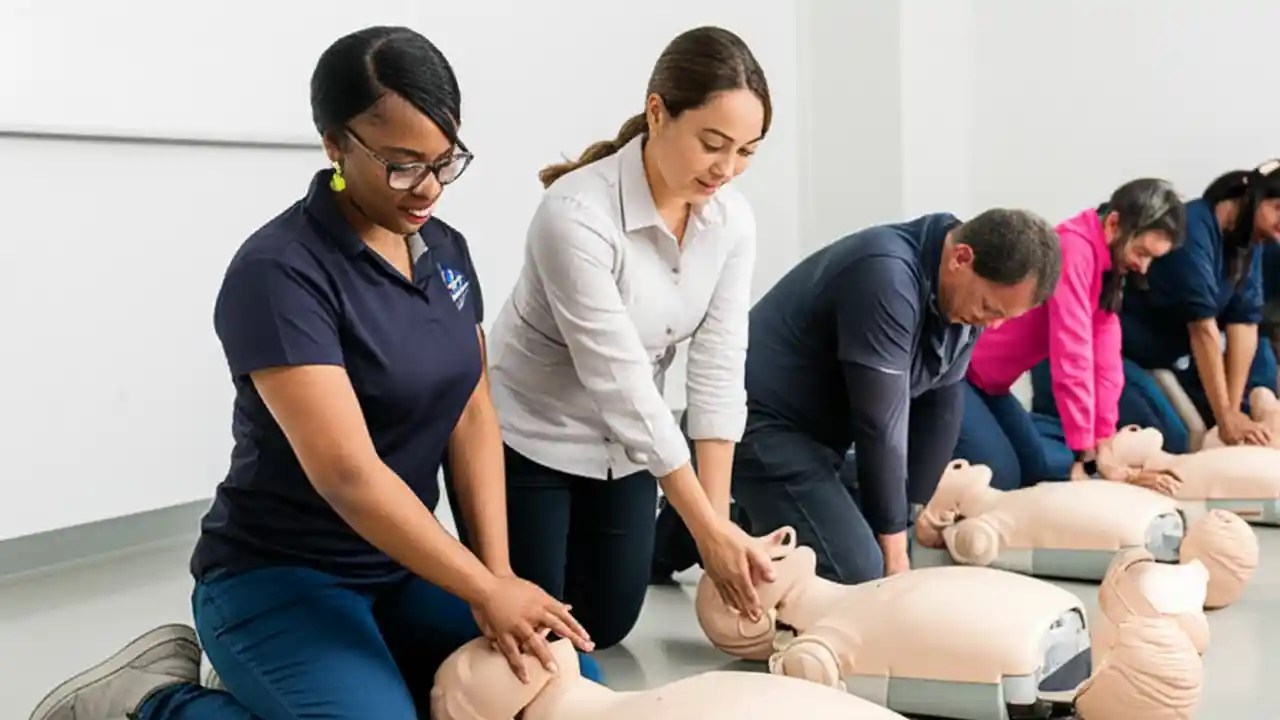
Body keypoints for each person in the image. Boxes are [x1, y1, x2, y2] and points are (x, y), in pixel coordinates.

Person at [29, 27, 590, 720]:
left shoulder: (446, 251)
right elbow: (348, 476)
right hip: (276, 577)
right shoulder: (279, 272)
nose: (430, 189)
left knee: (562, 671)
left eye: (446, 162)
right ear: (334, 143)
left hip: (401, 565)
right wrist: (479, 590)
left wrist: (497, 577)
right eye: (402, 164)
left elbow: (472, 413)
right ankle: (148, 702)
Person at [473, 26, 774, 649]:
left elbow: (717, 370)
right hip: (529, 436)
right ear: (658, 112)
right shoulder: (575, 214)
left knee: (605, 626)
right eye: (713, 144)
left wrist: (714, 530)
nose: (727, 169)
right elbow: (622, 382)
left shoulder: (730, 220)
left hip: (628, 448)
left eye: (746, 150)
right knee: (535, 631)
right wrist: (704, 532)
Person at [729, 209, 1063, 584]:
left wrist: (911, 516)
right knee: (859, 571)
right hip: (759, 424)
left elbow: (942, 408)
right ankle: (730, 508)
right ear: (961, 258)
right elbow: (879, 425)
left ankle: (723, 515)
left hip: (825, 440)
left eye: (1004, 316)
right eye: (989, 308)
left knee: (880, 512)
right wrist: (894, 553)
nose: (993, 324)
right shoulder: (885, 274)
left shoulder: (959, 300)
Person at [957, 179, 1186, 493]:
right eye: (1142, 252)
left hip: (991, 386)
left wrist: (1104, 439)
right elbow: (1072, 354)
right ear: (1115, 223)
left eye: (1152, 259)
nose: (1143, 267)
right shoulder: (1074, 249)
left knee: (1035, 467)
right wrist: (1085, 453)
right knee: (1005, 476)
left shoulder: (1109, 270)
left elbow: (1106, 362)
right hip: (960, 375)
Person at [1115, 160, 1280, 449]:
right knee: (1181, 437)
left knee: (1238, 415)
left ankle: (1254, 402)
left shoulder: (1247, 244)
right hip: (1132, 356)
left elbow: (1244, 322)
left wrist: (1234, 410)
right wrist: (1226, 417)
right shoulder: (1193, 232)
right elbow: (1203, 329)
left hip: (1179, 360)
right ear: (1251, 198)